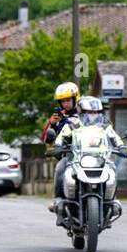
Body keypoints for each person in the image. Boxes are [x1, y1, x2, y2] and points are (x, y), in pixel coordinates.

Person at [50, 96, 125, 215]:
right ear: (81, 113)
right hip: (76, 160)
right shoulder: (72, 125)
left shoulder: (105, 126)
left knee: (113, 170)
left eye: (96, 112)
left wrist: (123, 147)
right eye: (90, 112)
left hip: (101, 160)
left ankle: (111, 200)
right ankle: (58, 199)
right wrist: (57, 147)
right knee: (61, 166)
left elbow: (115, 138)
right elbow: (61, 138)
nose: (93, 115)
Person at [43, 82, 82, 212]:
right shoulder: (59, 118)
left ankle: (108, 199)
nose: (65, 104)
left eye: (68, 100)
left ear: (75, 98)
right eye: (62, 101)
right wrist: (52, 124)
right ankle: (57, 200)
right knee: (60, 168)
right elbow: (47, 137)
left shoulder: (86, 114)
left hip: (88, 151)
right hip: (69, 153)